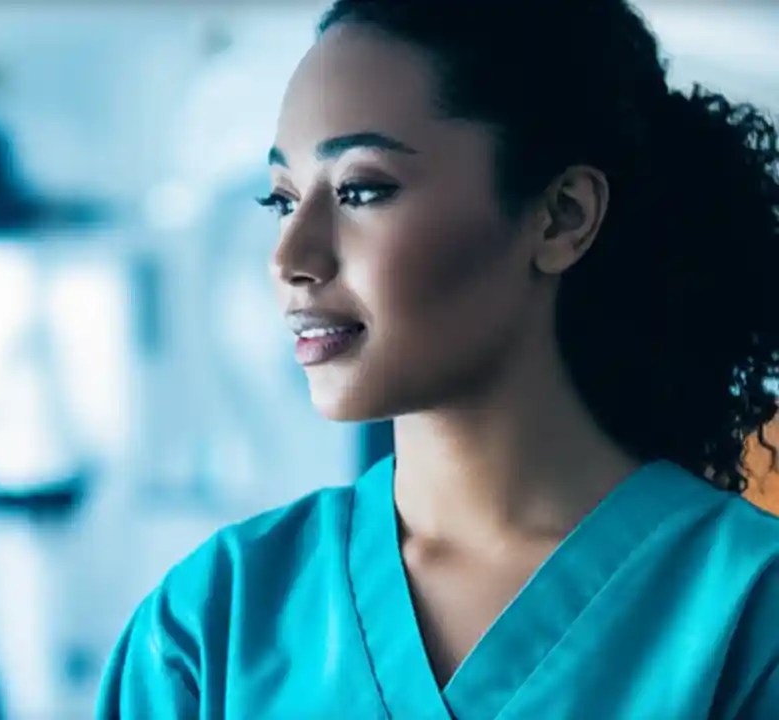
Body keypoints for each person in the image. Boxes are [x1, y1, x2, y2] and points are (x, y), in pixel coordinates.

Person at [97, 0, 779, 717]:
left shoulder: (750, 619)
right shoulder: (211, 627)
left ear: (562, 217)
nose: (291, 257)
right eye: (282, 201)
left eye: (362, 191)